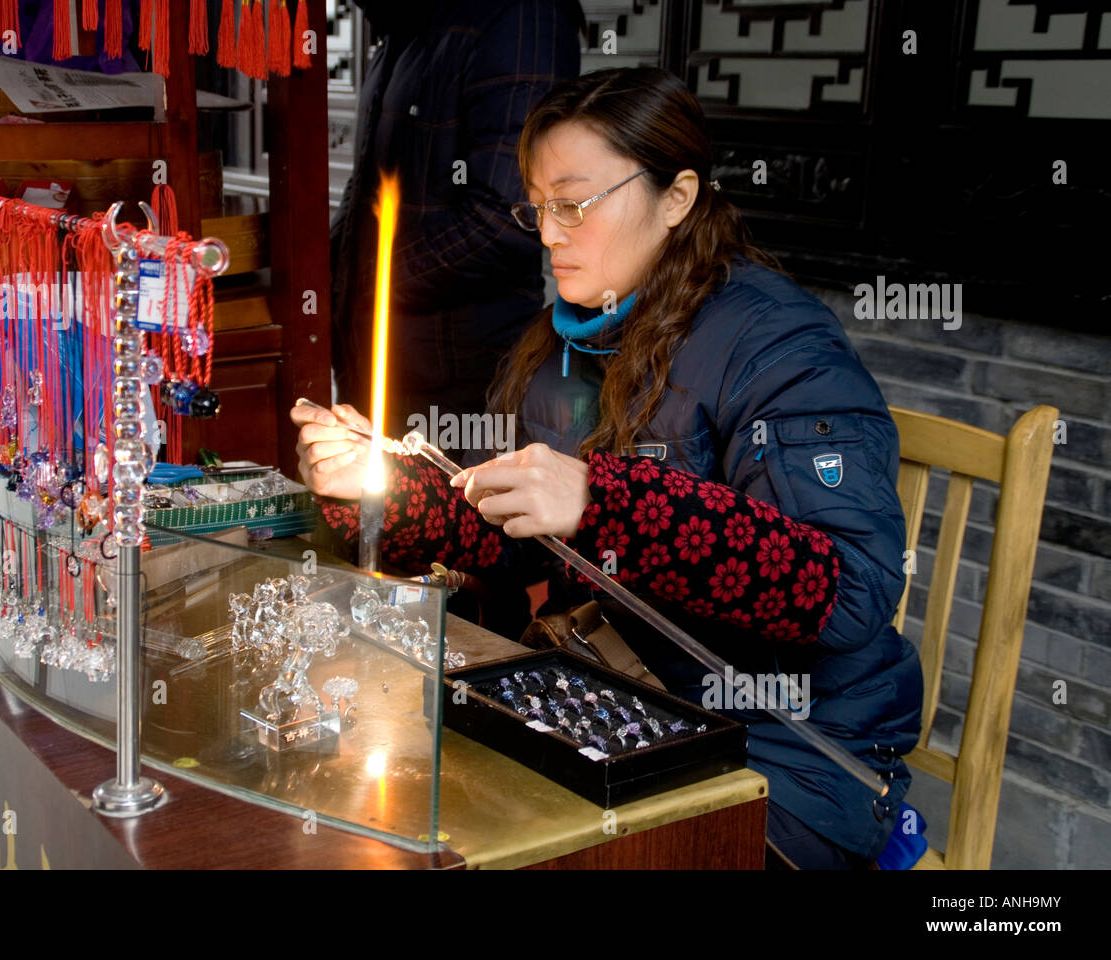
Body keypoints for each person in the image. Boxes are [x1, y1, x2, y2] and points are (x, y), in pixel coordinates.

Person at [295, 67, 922, 870]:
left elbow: (851, 591)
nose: (549, 233)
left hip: (782, 754)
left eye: (574, 203)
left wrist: (604, 503)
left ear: (677, 197)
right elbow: (523, 545)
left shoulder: (779, 345)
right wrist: (390, 489)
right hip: (625, 712)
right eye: (538, 206)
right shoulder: (568, 343)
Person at [330, 0, 584, 447]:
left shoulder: (521, 15)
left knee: (447, 511)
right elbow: (368, 184)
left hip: (458, 384)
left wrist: (372, 284)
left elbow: (505, 222)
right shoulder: (405, 26)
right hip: (374, 359)